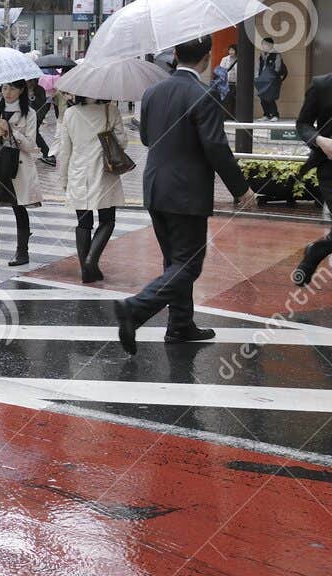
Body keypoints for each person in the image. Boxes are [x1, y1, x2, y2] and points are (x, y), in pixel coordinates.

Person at [115, 36, 256, 352]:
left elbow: (149, 138)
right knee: (189, 264)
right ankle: (136, 307)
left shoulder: (152, 92)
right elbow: (216, 147)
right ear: (207, 59)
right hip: (186, 193)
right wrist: (241, 189)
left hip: (154, 188)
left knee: (175, 261)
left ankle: (180, 325)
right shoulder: (204, 94)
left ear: (175, 55)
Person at [55, 96, 126, 284]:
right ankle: (91, 261)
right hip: (105, 172)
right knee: (108, 220)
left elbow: (65, 150)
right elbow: (123, 143)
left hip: (79, 172)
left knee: (83, 223)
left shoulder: (70, 113)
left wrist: (64, 179)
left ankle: (86, 268)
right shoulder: (110, 110)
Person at [0, 81, 41, 269]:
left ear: (21, 90)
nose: (8, 92)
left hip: (17, 167)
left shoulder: (30, 114)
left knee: (19, 207)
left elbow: (31, 146)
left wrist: (12, 132)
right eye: (4, 88)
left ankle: (22, 252)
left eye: (12, 88)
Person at [293, 70, 332, 286]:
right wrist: (320, 141)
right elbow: (302, 124)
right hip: (330, 167)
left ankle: (316, 251)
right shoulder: (322, 85)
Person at [256, 38, 288, 119]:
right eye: (263, 44)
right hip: (262, 79)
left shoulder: (276, 54)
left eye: (265, 44)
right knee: (262, 97)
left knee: (270, 97)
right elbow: (258, 66)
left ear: (271, 45)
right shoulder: (262, 54)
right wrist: (257, 77)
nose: (263, 46)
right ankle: (266, 114)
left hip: (272, 79)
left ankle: (275, 115)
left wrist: (272, 75)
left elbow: (278, 67)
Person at [29, 78, 57, 166]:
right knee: (35, 134)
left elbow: (40, 104)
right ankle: (47, 153)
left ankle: (48, 153)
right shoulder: (23, 89)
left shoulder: (39, 89)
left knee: (35, 134)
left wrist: (31, 95)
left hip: (38, 115)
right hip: (28, 117)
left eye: (30, 81)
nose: (28, 83)